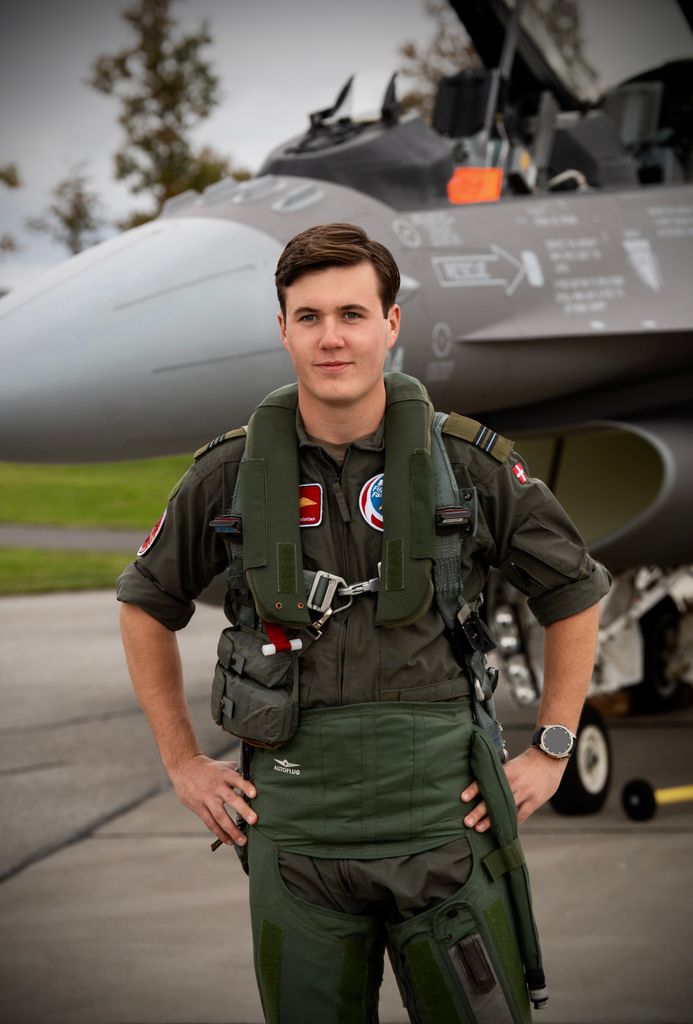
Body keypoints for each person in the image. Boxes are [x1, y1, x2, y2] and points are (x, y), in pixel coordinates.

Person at [117, 222, 610, 1023]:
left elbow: (575, 592)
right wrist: (182, 763)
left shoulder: (471, 467)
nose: (331, 338)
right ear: (282, 331)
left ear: (391, 324)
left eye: (351, 314)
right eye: (308, 317)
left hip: (444, 832)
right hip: (296, 839)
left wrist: (552, 747)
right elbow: (144, 602)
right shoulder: (228, 475)